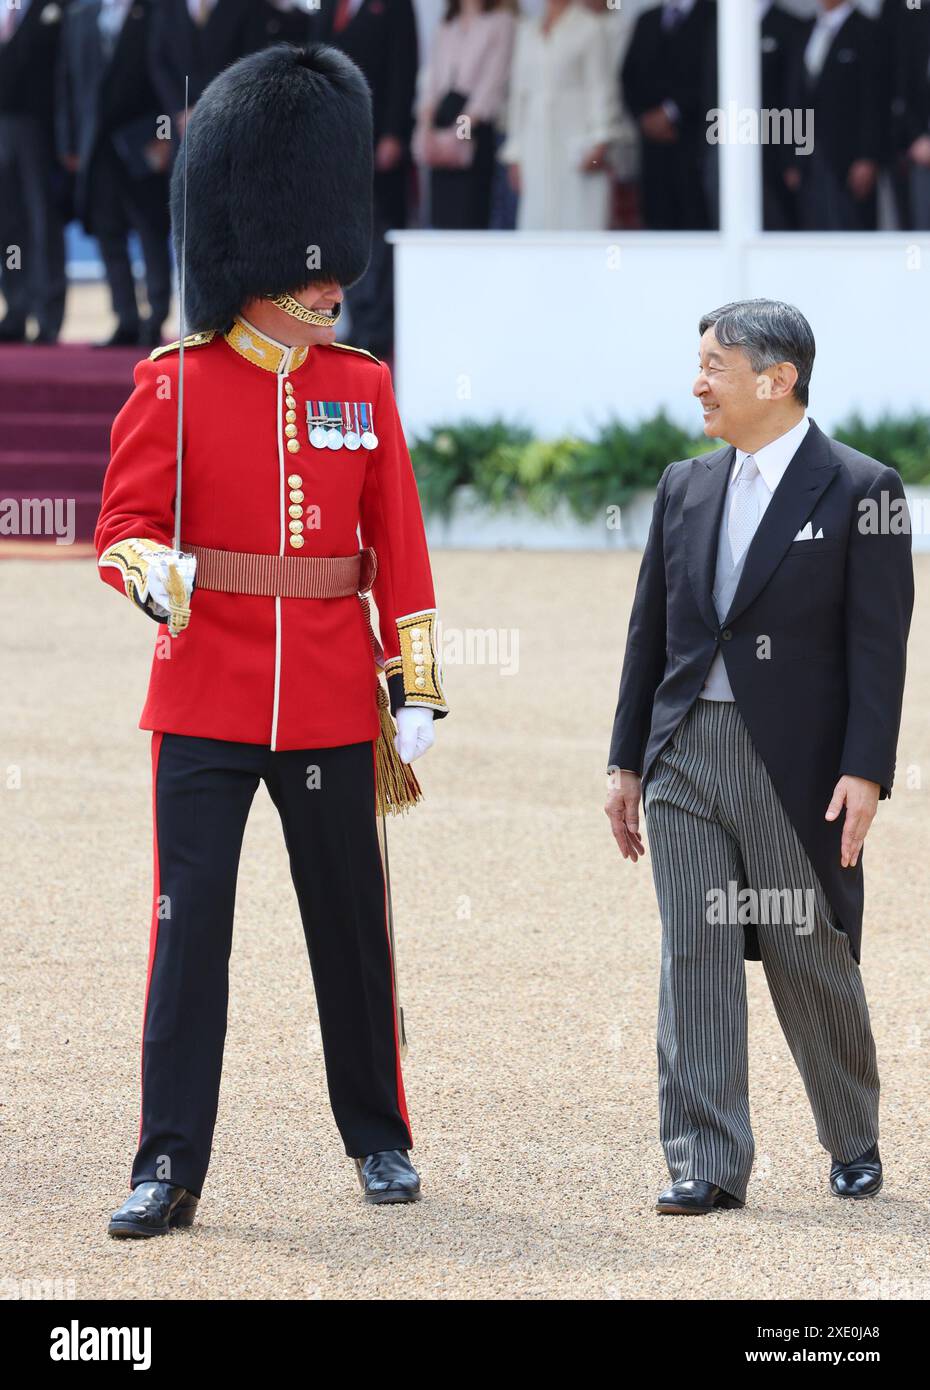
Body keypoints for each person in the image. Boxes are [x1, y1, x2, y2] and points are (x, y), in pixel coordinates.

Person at [96, 44, 448, 1237]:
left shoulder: (362, 385)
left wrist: (418, 683)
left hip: (335, 702)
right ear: (255, 263)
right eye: (313, 274)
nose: (331, 289)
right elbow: (125, 525)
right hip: (202, 698)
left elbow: (395, 541)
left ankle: (381, 1138)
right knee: (187, 938)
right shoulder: (175, 384)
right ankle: (168, 1162)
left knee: (353, 933)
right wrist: (151, 577)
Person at [605, 299, 913, 1215]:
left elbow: (879, 645)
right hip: (685, 757)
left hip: (798, 768)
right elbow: (648, 634)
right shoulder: (683, 485)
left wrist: (866, 770)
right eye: (698, 363)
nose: (698, 381)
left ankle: (852, 1136)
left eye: (715, 366)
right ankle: (706, 1158)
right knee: (692, 953)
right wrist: (628, 762)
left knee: (805, 950)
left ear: (778, 379)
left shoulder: (865, 489)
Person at [56, 0, 171, 347]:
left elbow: (167, 73)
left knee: (151, 231)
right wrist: (70, 143)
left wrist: (164, 138)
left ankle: (157, 317)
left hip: (144, 144)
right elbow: (68, 86)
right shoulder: (80, 16)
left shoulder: (156, 12)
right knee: (109, 235)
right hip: (96, 149)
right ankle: (126, 319)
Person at [310, 0, 419, 361]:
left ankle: (377, 330)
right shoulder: (326, 6)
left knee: (378, 231)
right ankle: (356, 324)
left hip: (377, 139)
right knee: (346, 234)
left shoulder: (395, 6)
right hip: (333, 143)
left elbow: (404, 68)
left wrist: (393, 133)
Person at [501, 0, 618, 232]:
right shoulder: (527, 31)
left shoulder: (590, 28)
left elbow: (600, 88)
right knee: (537, 228)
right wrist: (514, 153)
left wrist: (600, 141)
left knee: (579, 227)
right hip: (534, 148)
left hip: (577, 149)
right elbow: (519, 96)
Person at [0, 0, 70, 344]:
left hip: (40, 129)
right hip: (3, 126)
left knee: (42, 219)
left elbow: (68, 72)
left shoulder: (57, 6)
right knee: (8, 224)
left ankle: (48, 314)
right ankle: (16, 307)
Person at [413, 0, 515, 231]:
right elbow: (430, 81)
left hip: (476, 128)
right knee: (440, 218)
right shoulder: (446, 25)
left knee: (470, 217)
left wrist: (457, 135)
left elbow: (491, 88)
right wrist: (426, 128)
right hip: (442, 122)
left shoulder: (501, 23)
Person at [621, 0, 718, 231]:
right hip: (653, 153)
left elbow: (712, 77)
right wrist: (643, 118)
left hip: (695, 147)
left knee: (696, 228)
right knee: (656, 228)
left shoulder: (715, 15)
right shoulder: (647, 20)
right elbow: (628, 76)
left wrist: (671, 112)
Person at [785, 0, 882, 232]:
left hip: (847, 158)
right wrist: (791, 156)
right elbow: (793, 97)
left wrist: (868, 156)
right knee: (812, 227)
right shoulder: (803, 30)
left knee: (850, 229)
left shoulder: (868, 31)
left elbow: (874, 100)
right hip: (809, 157)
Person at [760, 0, 805, 232]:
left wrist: (795, 158)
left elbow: (796, 98)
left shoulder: (791, 27)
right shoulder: (718, 25)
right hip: (732, 149)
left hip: (778, 152)